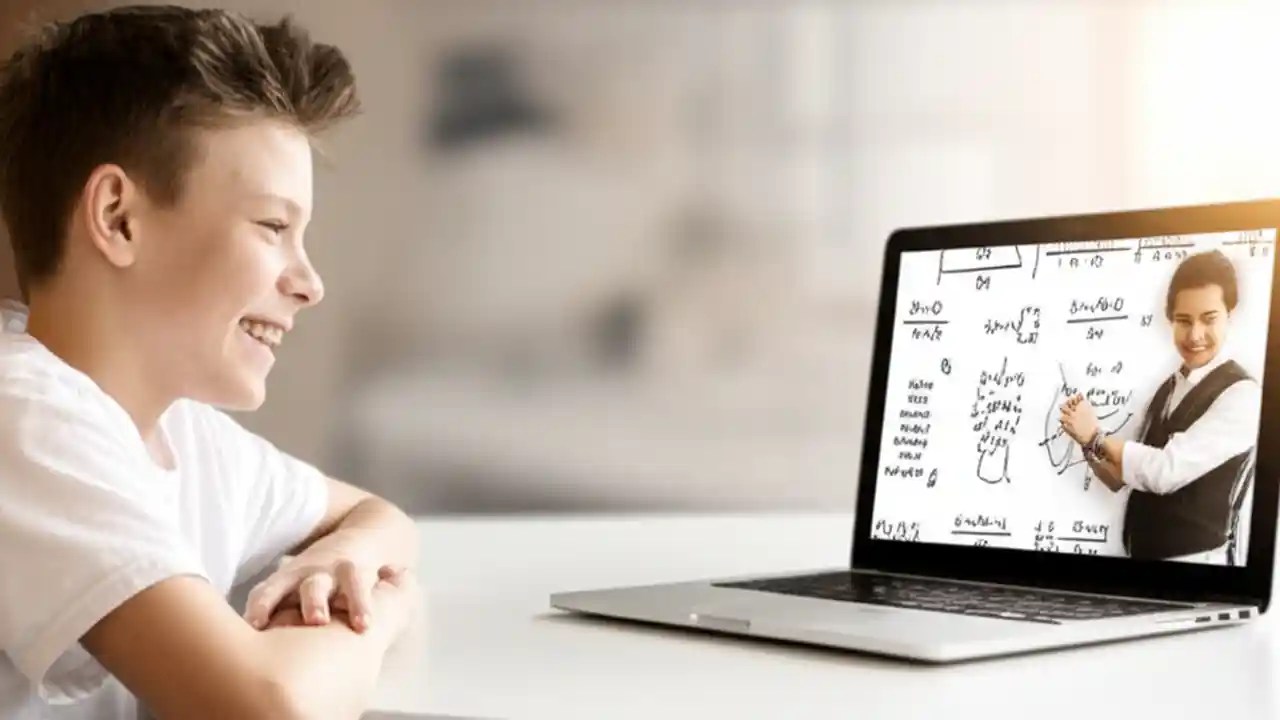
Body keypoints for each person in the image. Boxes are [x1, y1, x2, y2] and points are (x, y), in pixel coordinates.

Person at [0, 6, 421, 718]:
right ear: (118, 218)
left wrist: (343, 560)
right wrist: (381, 607)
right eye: (273, 227)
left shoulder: (183, 436)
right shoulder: (27, 417)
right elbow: (267, 708)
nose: (309, 283)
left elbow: (374, 514)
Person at [1059, 249, 1260, 564]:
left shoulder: (1243, 396)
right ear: (1170, 321)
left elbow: (1165, 472)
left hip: (1200, 574)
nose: (1195, 335)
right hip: (1151, 576)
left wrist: (1096, 436)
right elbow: (1119, 479)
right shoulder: (1167, 390)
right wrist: (1086, 442)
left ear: (1229, 315)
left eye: (1209, 319)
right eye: (1183, 321)